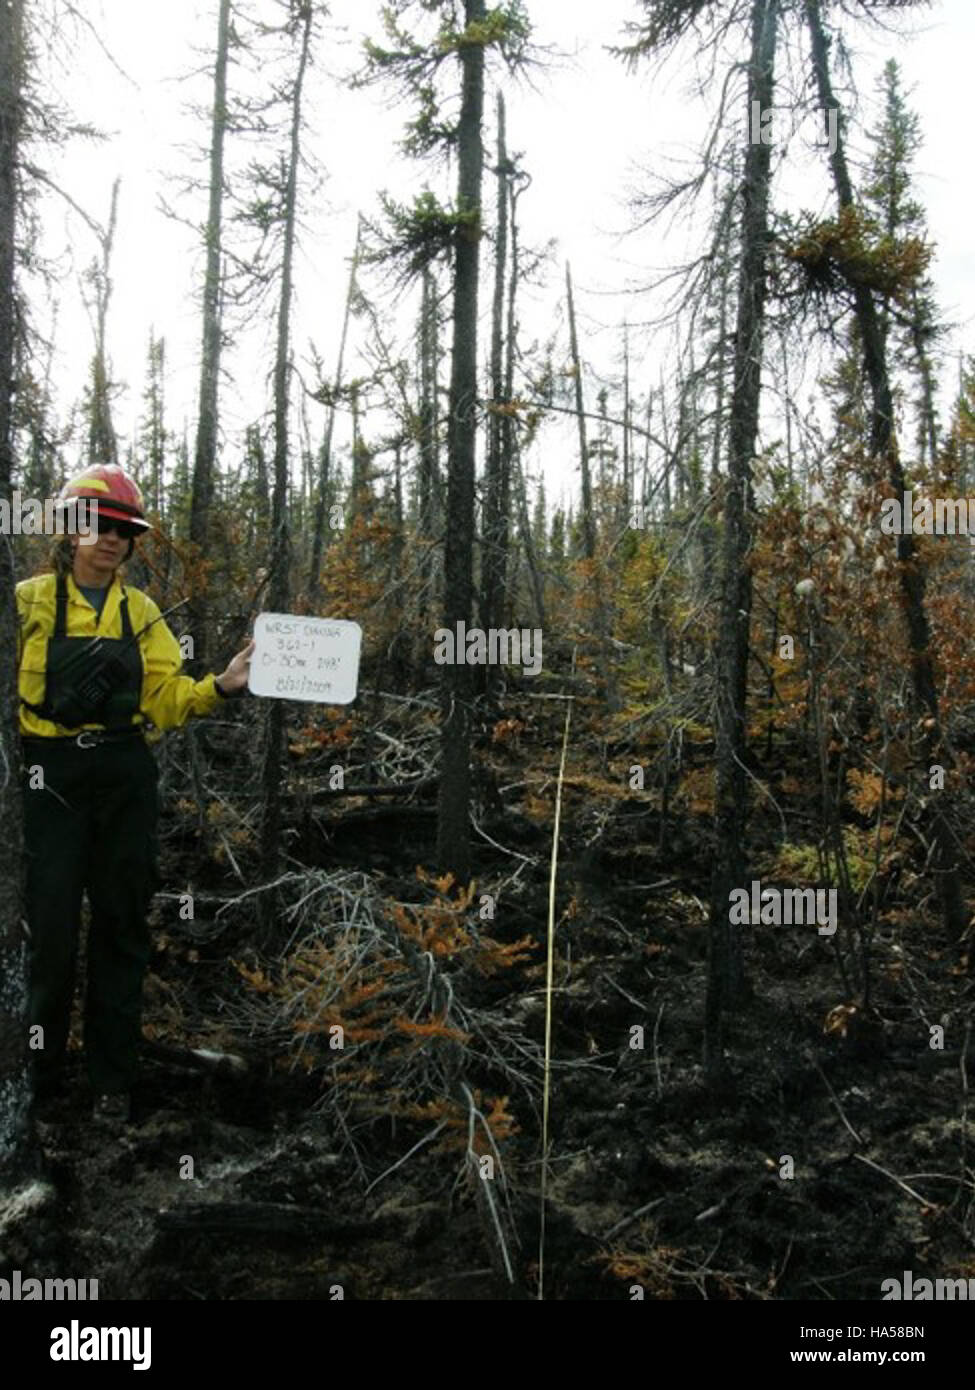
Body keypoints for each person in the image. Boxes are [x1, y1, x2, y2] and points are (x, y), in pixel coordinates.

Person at [16, 463, 255, 1126]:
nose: (112, 540)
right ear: (68, 530)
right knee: (52, 931)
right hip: (49, 780)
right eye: (97, 526)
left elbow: (164, 699)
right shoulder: (27, 601)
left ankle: (111, 1080)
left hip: (124, 775)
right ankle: (36, 1076)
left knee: (121, 926)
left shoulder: (141, 613)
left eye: (124, 530)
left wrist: (222, 685)